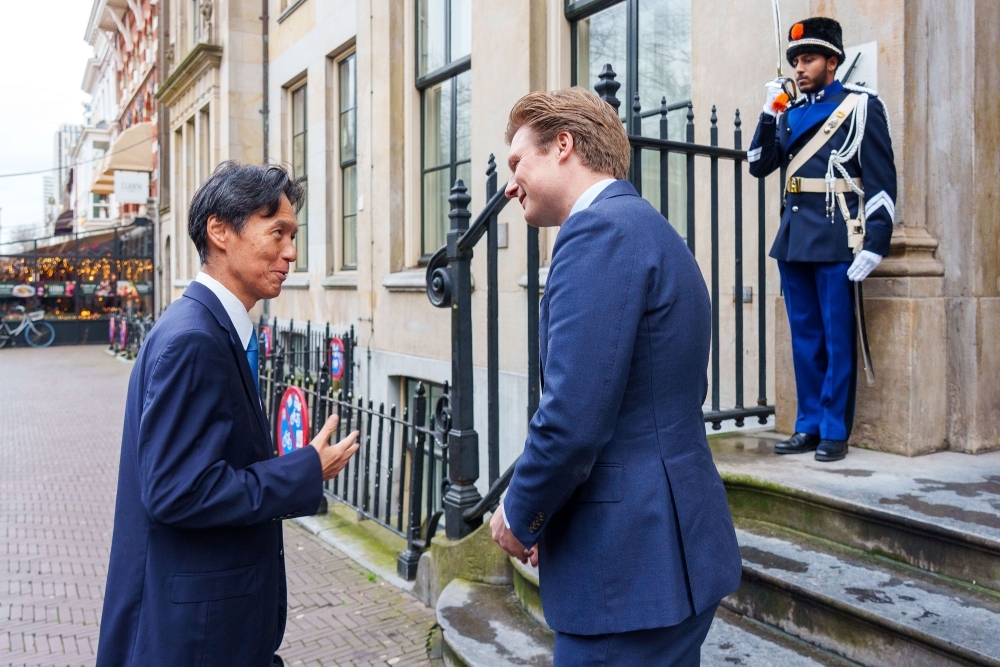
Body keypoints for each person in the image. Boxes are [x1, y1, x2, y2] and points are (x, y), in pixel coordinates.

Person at [490, 88, 742, 666]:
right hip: (670, 550)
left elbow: (573, 419)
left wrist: (521, 512)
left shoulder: (596, 233)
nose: (509, 184)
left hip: (626, 569)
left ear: (563, 145)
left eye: (517, 162)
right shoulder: (651, 228)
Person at [96, 161, 360, 667]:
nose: (291, 252)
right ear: (219, 230)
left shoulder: (199, 327)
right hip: (196, 639)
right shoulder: (194, 341)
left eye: (293, 234)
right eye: (277, 232)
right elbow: (176, 492)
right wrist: (305, 468)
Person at [749, 17, 896, 462]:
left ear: (833, 61)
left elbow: (881, 180)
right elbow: (758, 163)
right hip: (794, 238)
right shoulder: (788, 113)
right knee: (805, 340)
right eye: (795, 60)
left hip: (836, 236)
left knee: (836, 339)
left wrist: (875, 242)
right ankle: (808, 425)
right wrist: (768, 112)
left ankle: (834, 429)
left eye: (808, 58)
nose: (799, 67)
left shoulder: (860, 107)